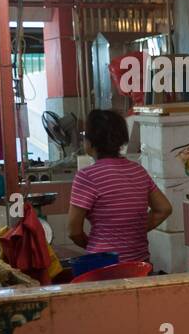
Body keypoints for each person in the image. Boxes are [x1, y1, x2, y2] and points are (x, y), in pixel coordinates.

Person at [67, 109, 173, 265]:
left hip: (104, 268)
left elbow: (73, 231)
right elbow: (164, 209)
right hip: (140, 266)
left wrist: (93, 245)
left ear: (91, 142)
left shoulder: (87, 177)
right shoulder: (138, 171)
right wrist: (131, 232)